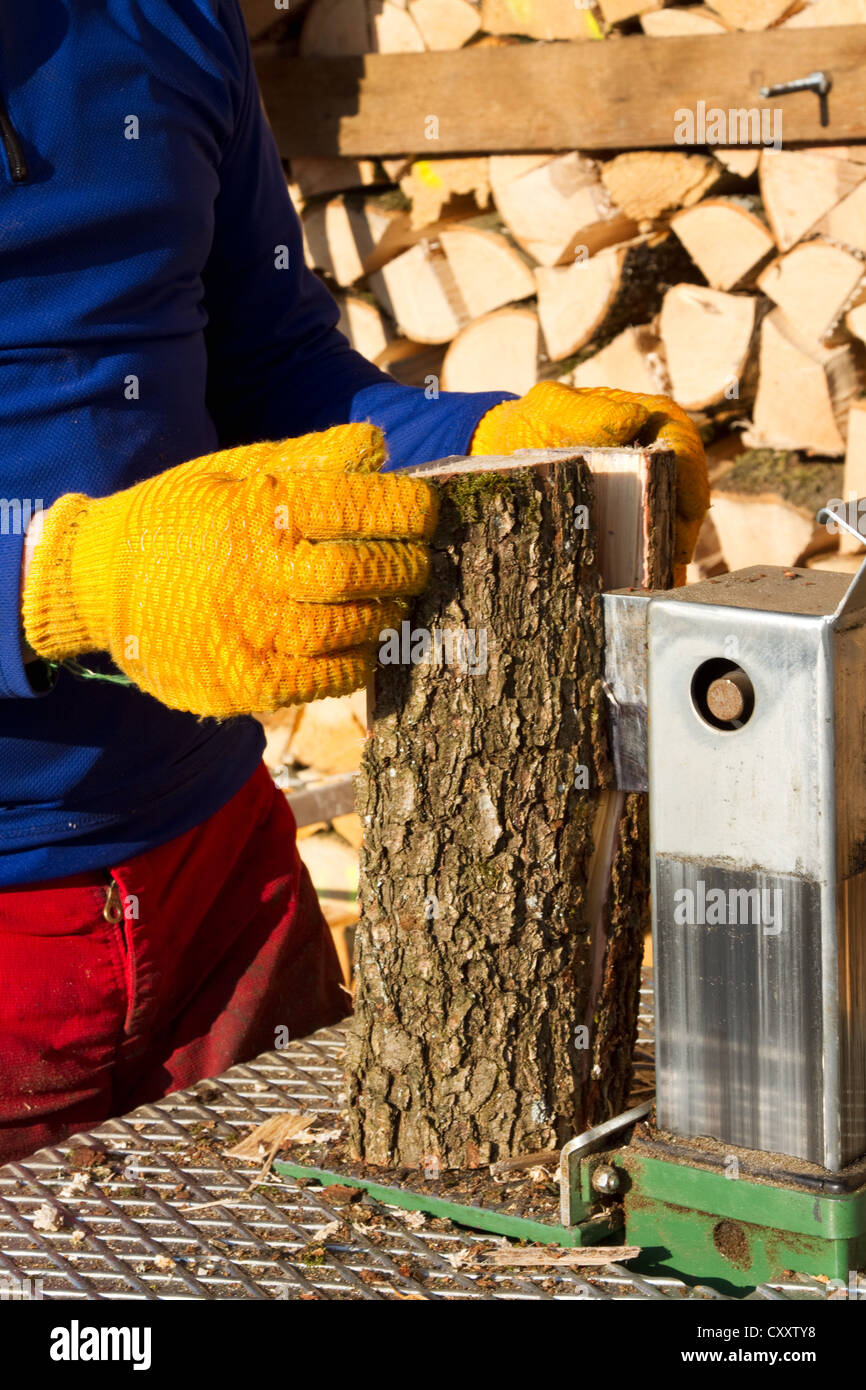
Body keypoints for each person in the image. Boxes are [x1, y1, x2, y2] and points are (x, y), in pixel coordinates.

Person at [0, 0, 708, 1163]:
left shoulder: (168, 17)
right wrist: (60, 586)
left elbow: (279, 369)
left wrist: (501, 446)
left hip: (221, 878)